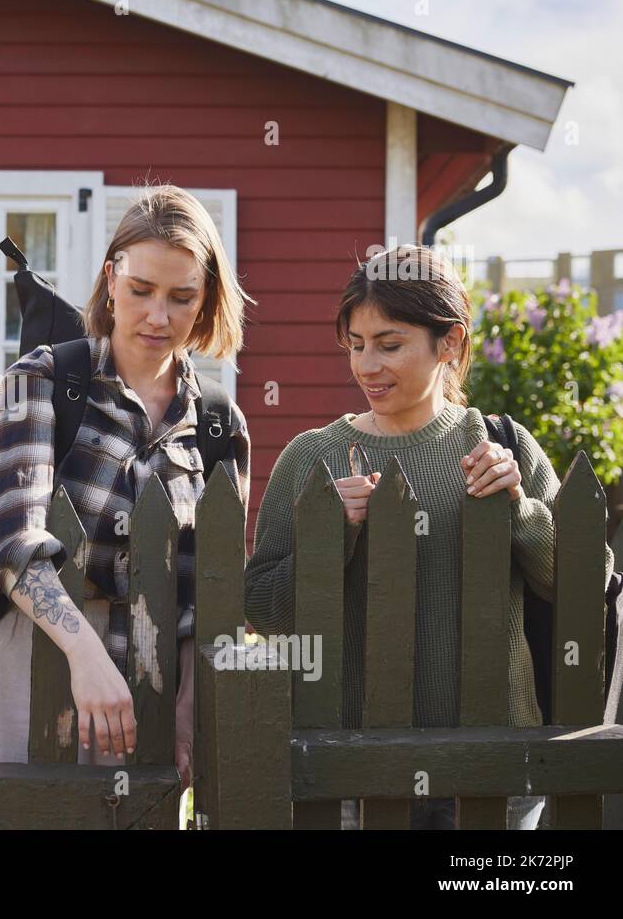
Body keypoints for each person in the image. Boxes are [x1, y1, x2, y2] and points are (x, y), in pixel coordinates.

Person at [243, 244, 615, 830]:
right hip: (349, 774)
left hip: (494, 772)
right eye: (356, 345)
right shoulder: (309, 459)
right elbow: (263, 609)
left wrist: (519, 510)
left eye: (389, 345)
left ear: (451, 343)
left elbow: (585, 586)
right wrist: (329, 538)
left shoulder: (501, 447)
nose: (367, 366)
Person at [0, 184, 251, 792]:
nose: (159, 316)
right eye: (141, 290)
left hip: (154, 671)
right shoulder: (43, 380)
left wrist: (188, 705)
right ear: (111, 279)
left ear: (206, 300)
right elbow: (11, 541)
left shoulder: (218, 423)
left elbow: (211, 586)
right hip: (40, 650)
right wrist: (86, 656)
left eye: (182, 297)